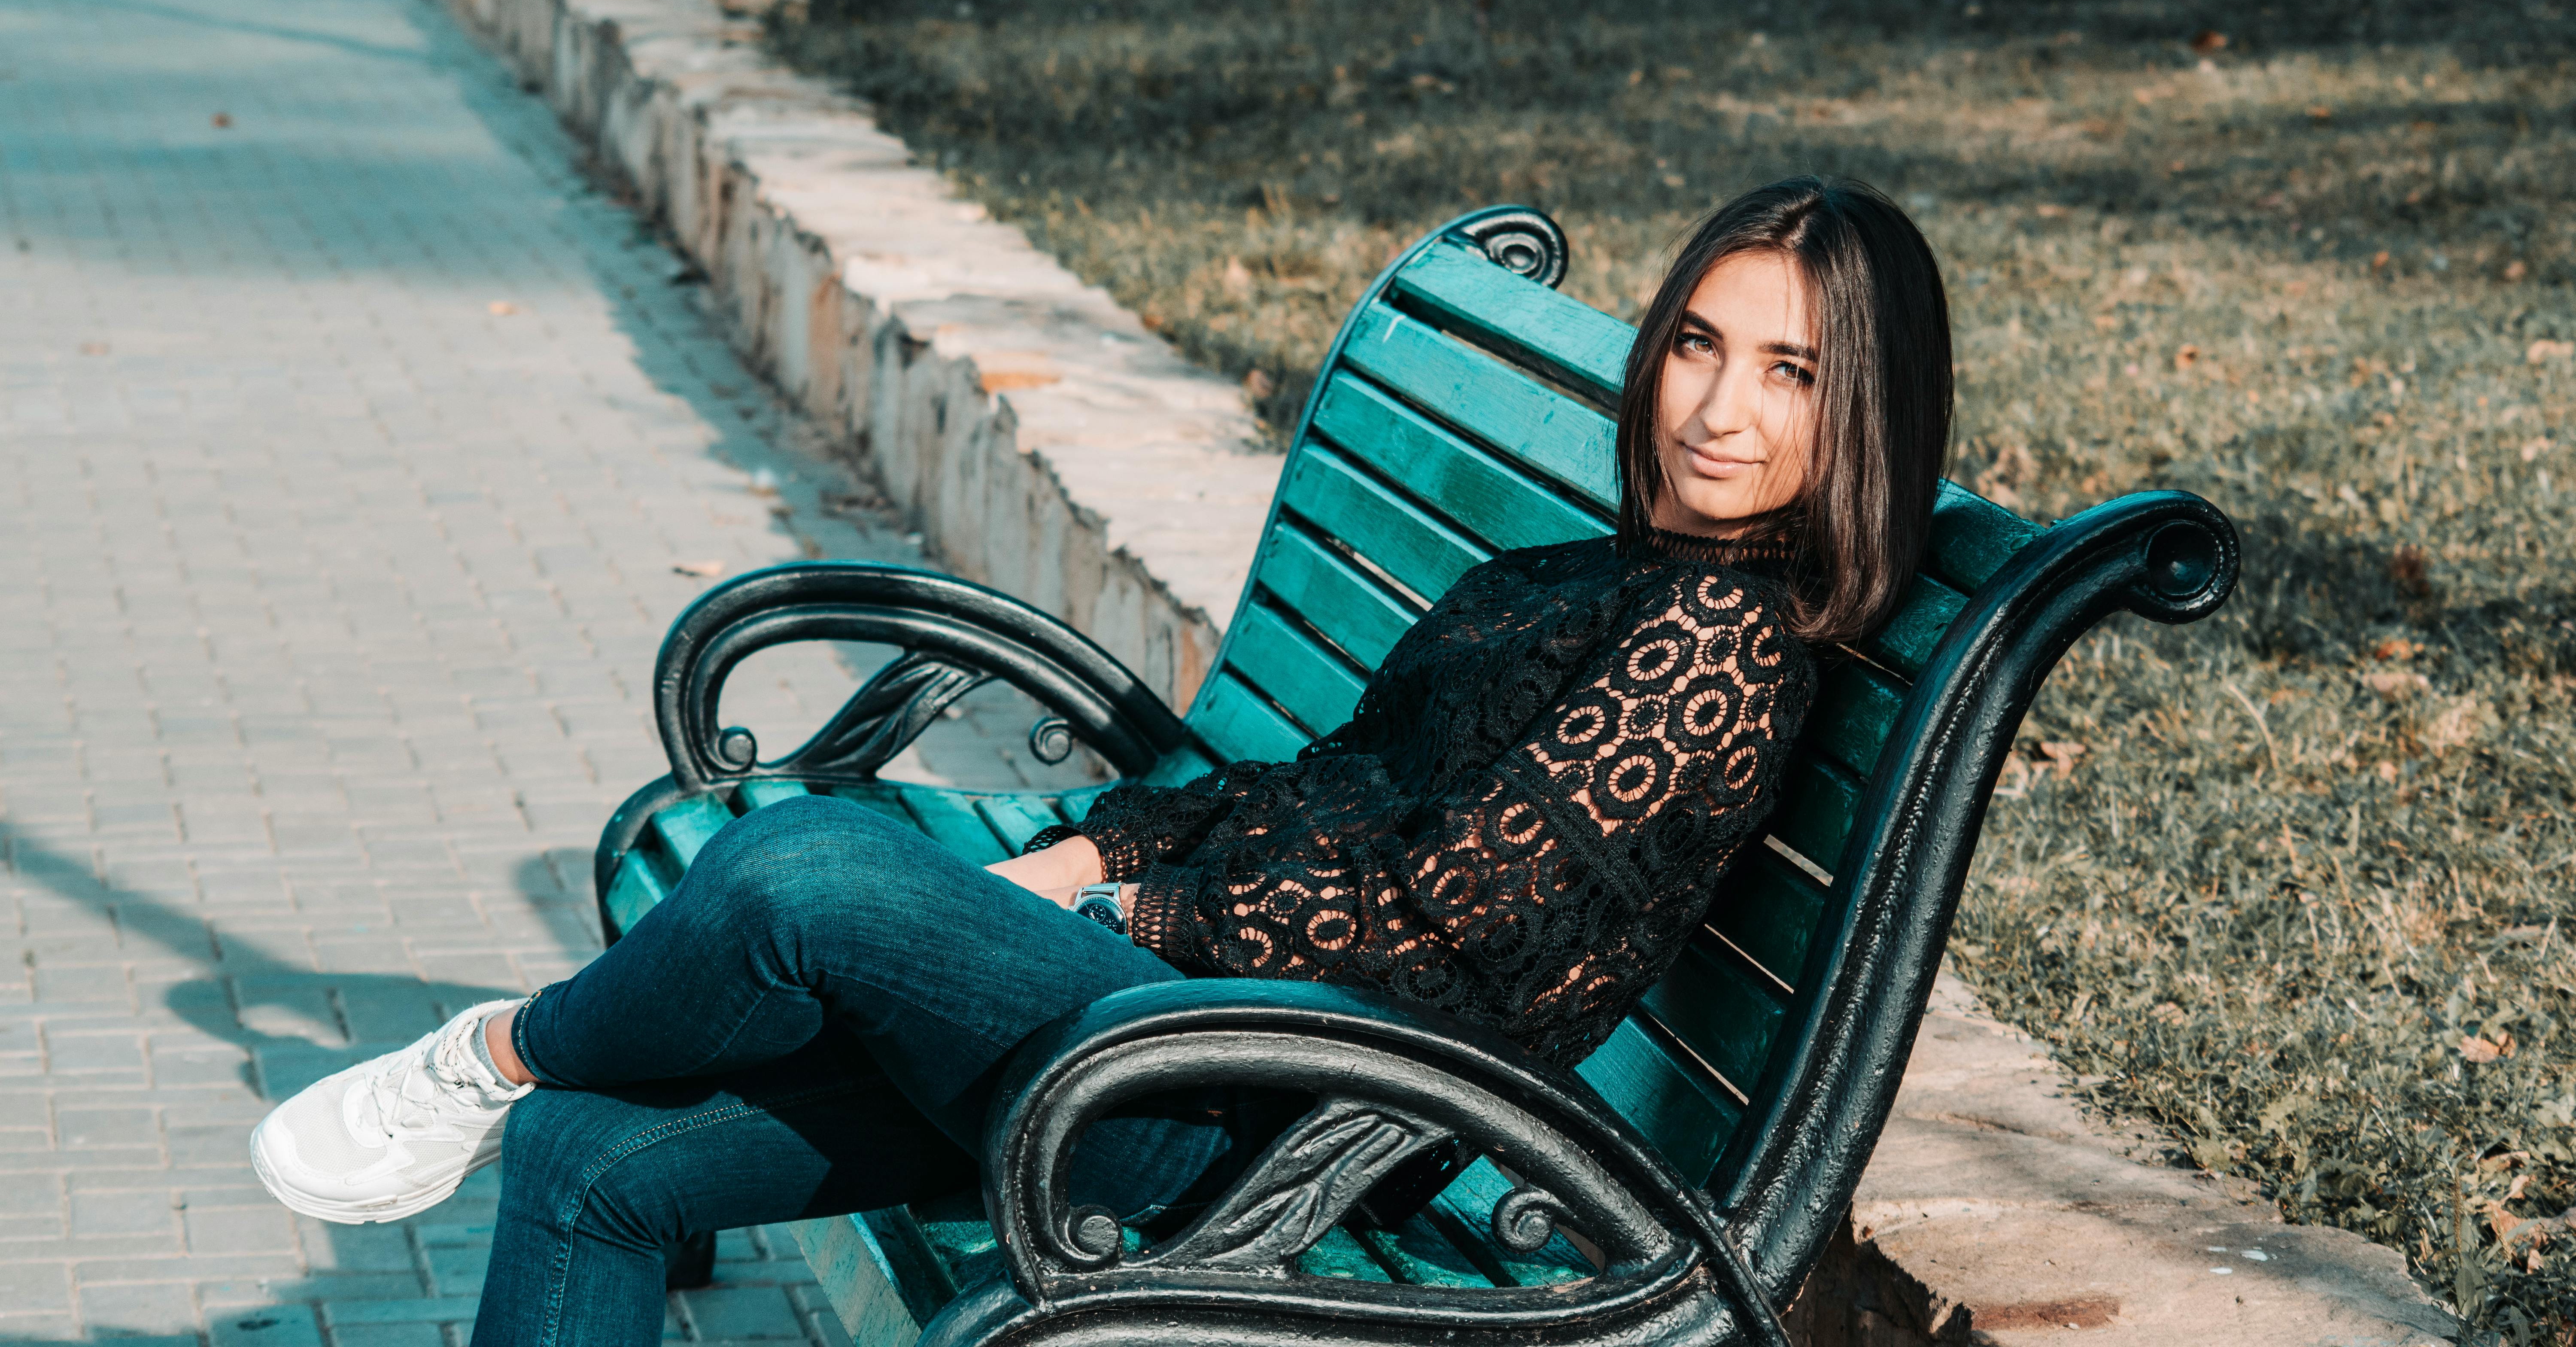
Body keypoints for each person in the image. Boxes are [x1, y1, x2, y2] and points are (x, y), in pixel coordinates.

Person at [248, 176, 1953, 1345]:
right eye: (1697, 344)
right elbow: (1334, 782)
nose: (1716, 406)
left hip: (1289, 1102)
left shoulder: (1713, 644)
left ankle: (482, 1058)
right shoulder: (1593, 580)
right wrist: (1084, 858)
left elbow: (1449, 926)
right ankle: (520, 1093)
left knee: (793, 873)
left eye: (1789, 372)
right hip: (1200, 1038)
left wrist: (1134, 903)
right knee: (595, 1167)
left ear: (1857, 412)